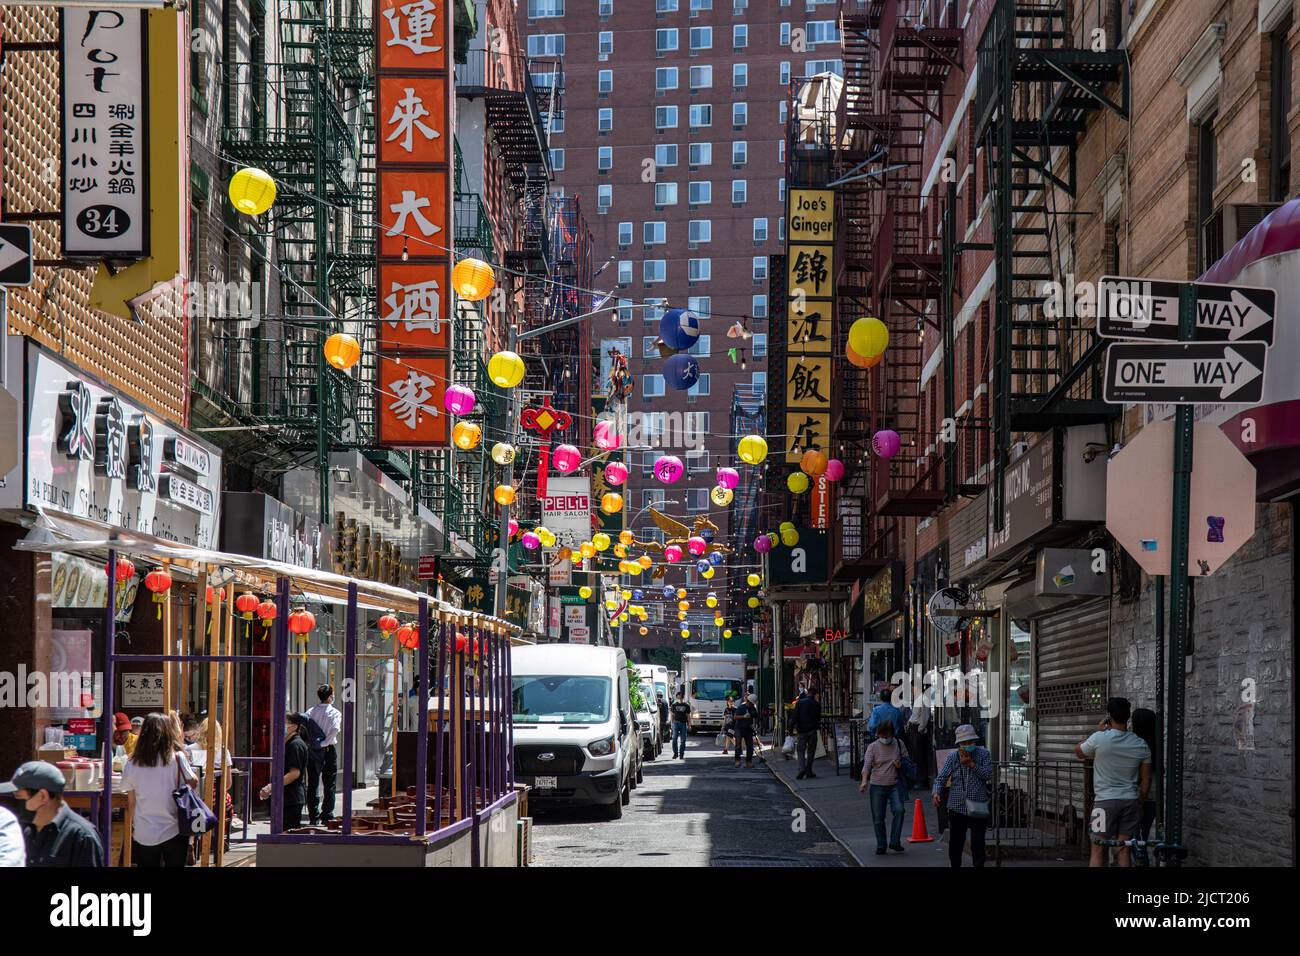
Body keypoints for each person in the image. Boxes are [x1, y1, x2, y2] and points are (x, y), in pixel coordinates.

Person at [1076, 697, 1152, 867]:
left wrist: (1099, 731)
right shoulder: (1141, 744)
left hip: (1103, 803)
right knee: (1124, 848)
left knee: (1097, 847)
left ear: (1109, 716)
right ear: (1128, 716)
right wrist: (1140, 801)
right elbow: (1146, 780)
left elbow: (1079, 752)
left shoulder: (1098, 738)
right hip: (1130, 802)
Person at [121, 712, 199, 867]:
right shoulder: (177, 758)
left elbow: (132, 801)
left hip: (144, 830)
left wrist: (133, 826)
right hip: (174, 828)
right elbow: (194, 781)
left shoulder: (132, 763)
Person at [0, 761, 103, 867]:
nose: (15, 803)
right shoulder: (27, 832)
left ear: (42, 796)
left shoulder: (81, 836)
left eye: (19, 797)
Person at [932, 724, 993, 868]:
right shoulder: (953, 757)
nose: (967, 745)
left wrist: (972, 764)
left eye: (970, 742)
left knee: (978, 843)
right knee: (956, 843)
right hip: (957, 806)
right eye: (964, 743)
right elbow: (941, 778)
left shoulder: (984, 754)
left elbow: (989, 775)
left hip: (978, 805)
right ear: (959, 744)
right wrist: (936, 792)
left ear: (975, 741)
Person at [858, 720, 909, 854]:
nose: (885, 739)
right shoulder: (873, 747)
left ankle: (894, 841)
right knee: (878, 818)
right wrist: (864, 781)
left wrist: (901, 765)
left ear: (893, 734)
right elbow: (867, 766)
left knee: (899, 810)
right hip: (877, 785)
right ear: (879, 734)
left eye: (888, 736)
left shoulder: (899, 743)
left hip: (895, 784)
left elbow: (907, 761)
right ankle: (881, 844)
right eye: (883, 736)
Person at [260, 713, 311, 829]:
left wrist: (272, 787)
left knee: (288, 835)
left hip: (291, 799)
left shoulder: (295, 745)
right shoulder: (287, 743)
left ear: (293, 726)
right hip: (286, 797)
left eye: (283, 723)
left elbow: (294, 773)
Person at [307, 684, 342, 826]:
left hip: (313, 750)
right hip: (328, 750)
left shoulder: (310, 711)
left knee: (313, 782)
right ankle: (327, 814)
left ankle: (313, 816)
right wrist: (325, 743)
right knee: (330, 783)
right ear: (329, 697)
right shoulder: (335, 713)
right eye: (332, 694)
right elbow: (335, 729)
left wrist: (316, 744)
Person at [1130, 707, 1159, 843]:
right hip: (1153, 799)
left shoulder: (1136, 746)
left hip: (1136, 796)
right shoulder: (1156, 747)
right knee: (1142, 837)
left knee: (1132, 838)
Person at [792, 687, 822, 780]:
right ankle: (809, 770)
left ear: (808, 693)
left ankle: (802, 768)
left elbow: (795, 716)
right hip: (812, 730)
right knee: (811, 751)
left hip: (801, 731)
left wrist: (791, 728)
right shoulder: (817, 704)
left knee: (800, 750)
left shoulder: (800, 703)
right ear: (815, 694)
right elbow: (818, 718)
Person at [731, 693, 758, 769]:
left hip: (748, 728)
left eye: (753, 704)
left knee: (750, 745)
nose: (752, 705)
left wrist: (754, 725)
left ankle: (749, 762)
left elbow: (756, 717)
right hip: (739, 728)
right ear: (748, 701)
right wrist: (743, 716)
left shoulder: (753, 709)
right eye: (751, 703)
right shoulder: (741, 707)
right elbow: (735, 717)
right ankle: (737, 760)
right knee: (738, 744)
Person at [669, 690, 691, 759]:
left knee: (683, 739)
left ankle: (681, 754)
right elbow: (672, 715)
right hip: (676, 723)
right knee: (674, 738)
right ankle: (675, 753)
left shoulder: (686, 706)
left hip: (683, 723)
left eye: (681, 698)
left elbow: (688, 716)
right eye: (679, 698)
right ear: (676, 697)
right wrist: (671, 724)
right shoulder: (674, 705)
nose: (680, 699)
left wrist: (689, 724)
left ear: (683, 698)